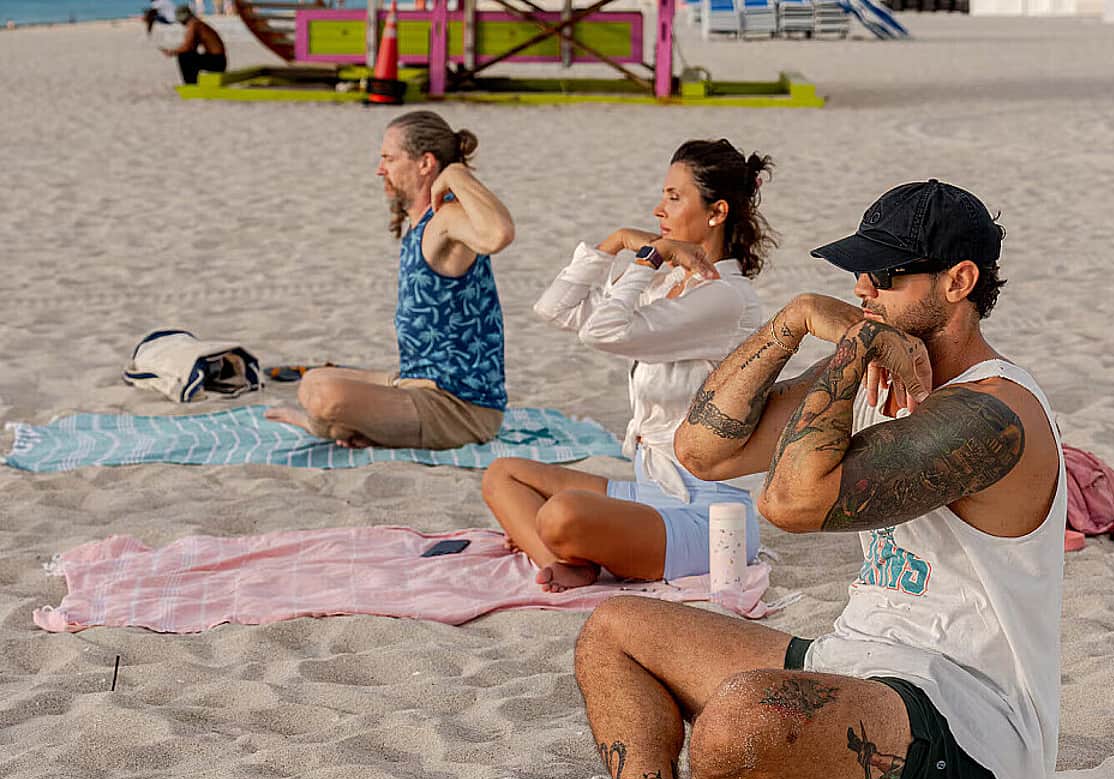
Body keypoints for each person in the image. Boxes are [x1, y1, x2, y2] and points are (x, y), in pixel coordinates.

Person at [574, 180, 1065, 779]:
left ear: (958, 281)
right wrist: (795, 318)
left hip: (964, 717)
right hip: (856, 660)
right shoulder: (868, 378)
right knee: (613, 631)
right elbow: (700, 450)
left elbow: (792, 503)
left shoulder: (993, 414)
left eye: (883, 274)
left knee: (743, 719)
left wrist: (854, 351)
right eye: (858, 270)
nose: (861, 289)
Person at [481, 139, 775, 593]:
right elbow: (555, 309)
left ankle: (572, 546)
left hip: (705, 518)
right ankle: (562, 564)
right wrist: (616, 241)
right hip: (646, 492)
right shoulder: (670, 282)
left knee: (562, 514)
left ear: (716, 213)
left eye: (674, 198)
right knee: (503, 474)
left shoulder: (723, 298)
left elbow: (603, 331)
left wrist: (649, 256)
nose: (659, 210)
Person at [267, 112, 514, 450]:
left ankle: (333, 428)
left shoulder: (446, 218)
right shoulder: (421, 223)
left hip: (459, 409)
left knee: (326, 397)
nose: (379, 169)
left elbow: (499, 233)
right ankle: (354, 425)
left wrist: (456, 174)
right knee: (314, 380)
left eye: (389, 158)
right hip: (418, 381)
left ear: (425, 163)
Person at [159, 5, 226, 85]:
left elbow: (187, 47)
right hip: (220, 61)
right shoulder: (198, 23)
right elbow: (191, 47)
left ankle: (191, 84)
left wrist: (172, 52)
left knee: (183, 56)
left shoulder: (194, 24)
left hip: (217, 62)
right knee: (189, 56)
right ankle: (192, 82)